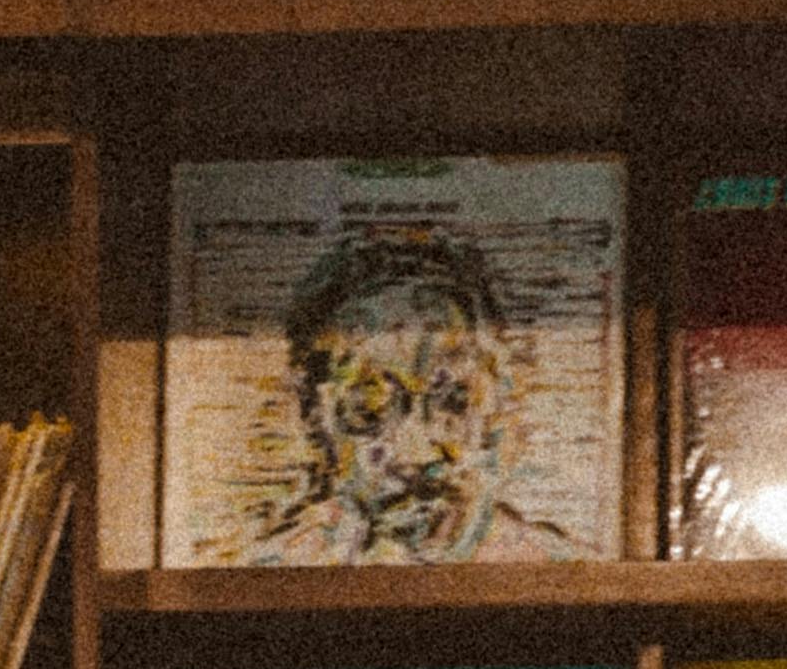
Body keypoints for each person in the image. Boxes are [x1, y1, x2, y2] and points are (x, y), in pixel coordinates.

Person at [250, 213, 584, 563]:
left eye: (454, 402)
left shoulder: (560, 570)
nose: (417, 453)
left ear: (496, 402)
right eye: (368, 410)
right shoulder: (271, 573)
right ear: (315, 417)